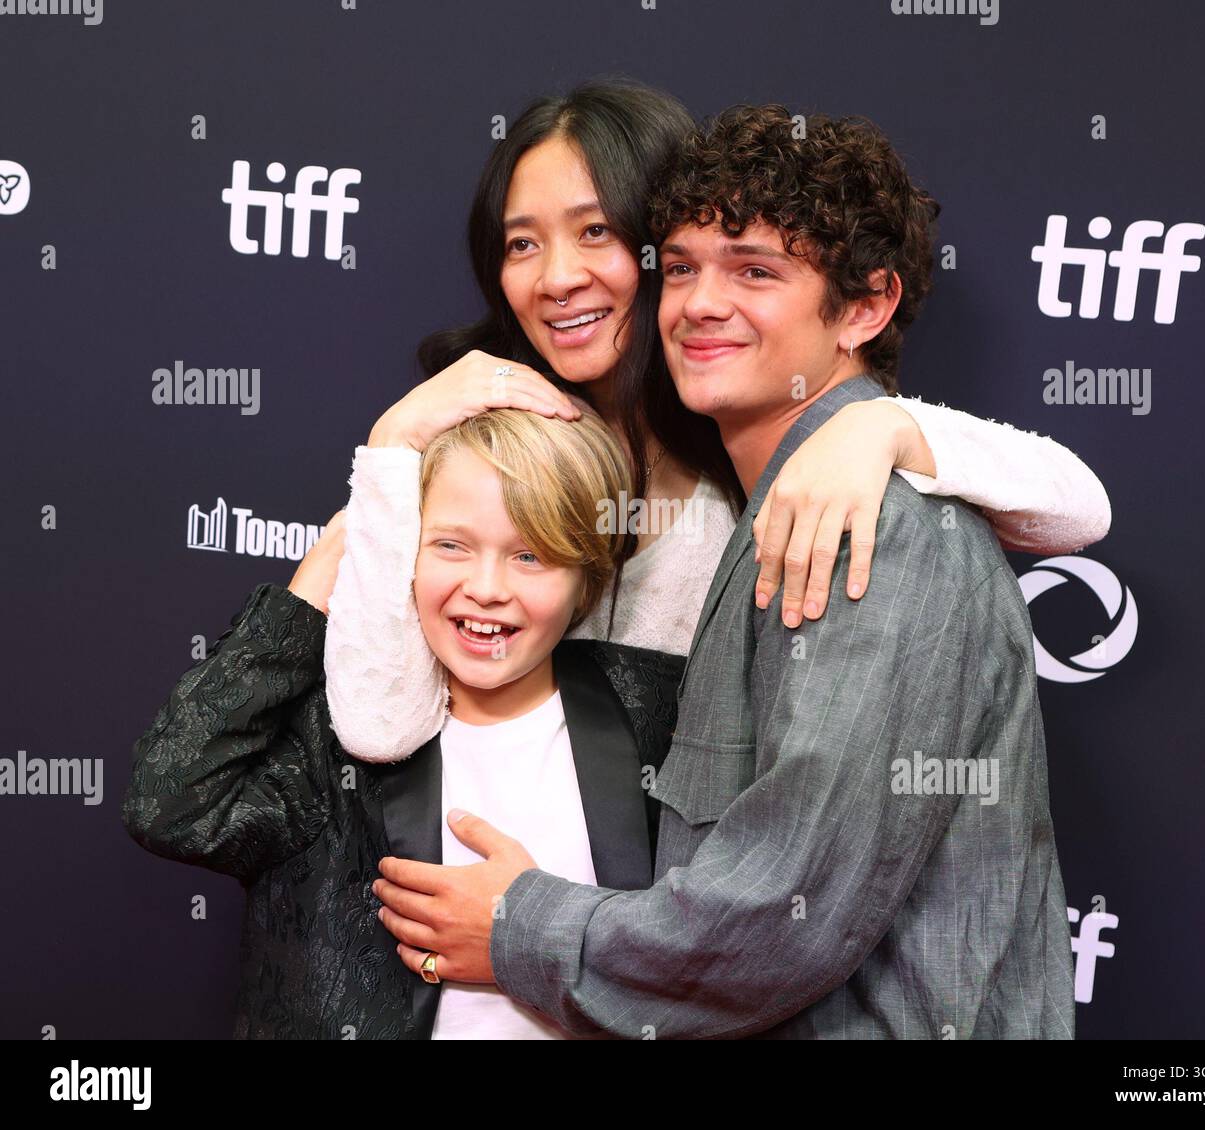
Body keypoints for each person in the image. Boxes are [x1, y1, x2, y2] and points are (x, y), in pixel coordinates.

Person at [374, 103, 1076, 1040]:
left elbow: (780, 914)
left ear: (865, 307)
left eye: (755, 271)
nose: (701, 303)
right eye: (685, 267)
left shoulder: (867, 530)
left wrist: (514, 926)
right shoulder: (775, 508)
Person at [325, 77, 1110, 765]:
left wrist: (885, 429)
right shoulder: (470, 457)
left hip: (650, 923)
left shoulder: (753, 468)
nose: (557, 278)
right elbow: (377, 723)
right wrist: (394, 447)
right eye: (521, 243)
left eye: (595, 231)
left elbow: (1077, 503)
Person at [120, 408, 684, 1040]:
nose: (487, 587)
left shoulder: (655, 707)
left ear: (587, 579)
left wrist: (524, 933)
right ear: (398, 552)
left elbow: (727, 944)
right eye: (451, 545)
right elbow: (167, 808)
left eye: (531, 555)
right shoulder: (336, 733)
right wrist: (307, 597)